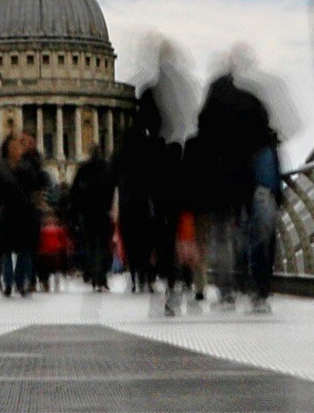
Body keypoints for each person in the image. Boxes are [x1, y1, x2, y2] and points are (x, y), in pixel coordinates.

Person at [192, 69, 280, 312]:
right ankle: (259, 291)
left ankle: (227, 291)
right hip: (254, 186)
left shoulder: (211, 118)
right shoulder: (254, 111)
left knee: (223, 238)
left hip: (223, 189)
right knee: (257, 237)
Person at [116, 114, 185, 315]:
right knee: (168, 246)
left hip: (149, 207)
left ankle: (153, 279)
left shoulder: (138, 153)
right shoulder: (170, 150)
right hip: (165, 206)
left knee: (153, 245)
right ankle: (168, 284)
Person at [0, 130, 51, 297]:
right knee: (5, 251)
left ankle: (20, 283)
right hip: (5, 213)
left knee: (23, 249)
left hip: (25, 214)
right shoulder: (0, 169)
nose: (17, 150)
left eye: (18, 147)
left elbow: (38, 185)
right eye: (14, 147)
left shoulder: (27, 167)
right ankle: (8, 282)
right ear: (7, 149)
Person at [60, 143, 118, 291]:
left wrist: (77, 211)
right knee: (104, 245)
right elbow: (112, 189)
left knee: (91, 246)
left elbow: (74, 193)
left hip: (88, 213)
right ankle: (102, 278)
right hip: (103, 212)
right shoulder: (107, 168)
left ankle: (94, 277)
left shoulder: (84, 169)